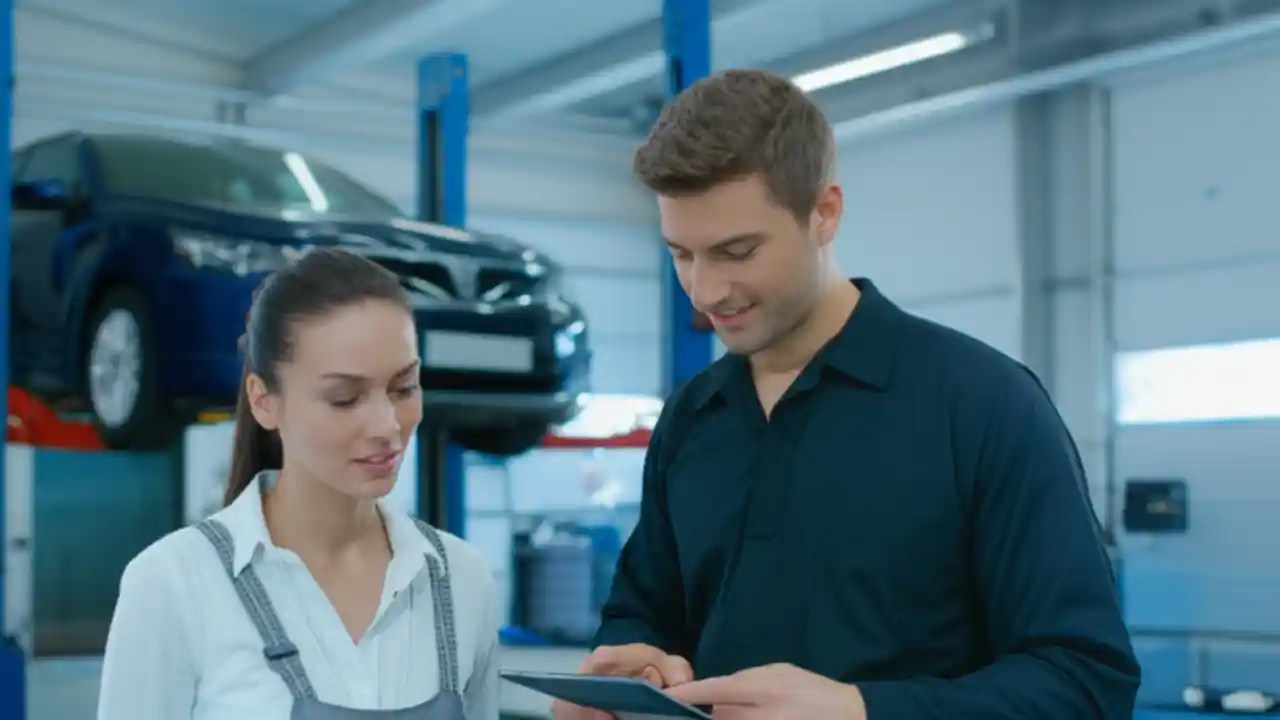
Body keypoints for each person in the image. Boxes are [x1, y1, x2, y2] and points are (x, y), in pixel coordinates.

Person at [553, 69, 1140, 720]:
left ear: (824, 212)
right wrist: (626, 661)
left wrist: (862, 711)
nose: (704, 291)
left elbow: (1086, 682)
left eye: (737, 251)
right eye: (681, 255)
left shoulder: (983, 406)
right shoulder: (693, 417)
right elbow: (647, 611)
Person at [98, 247, 500, 719]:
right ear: (264, 400)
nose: (386, 425)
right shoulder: (173, 583)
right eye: (344, 398)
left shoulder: (462, 581)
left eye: (403, 388)